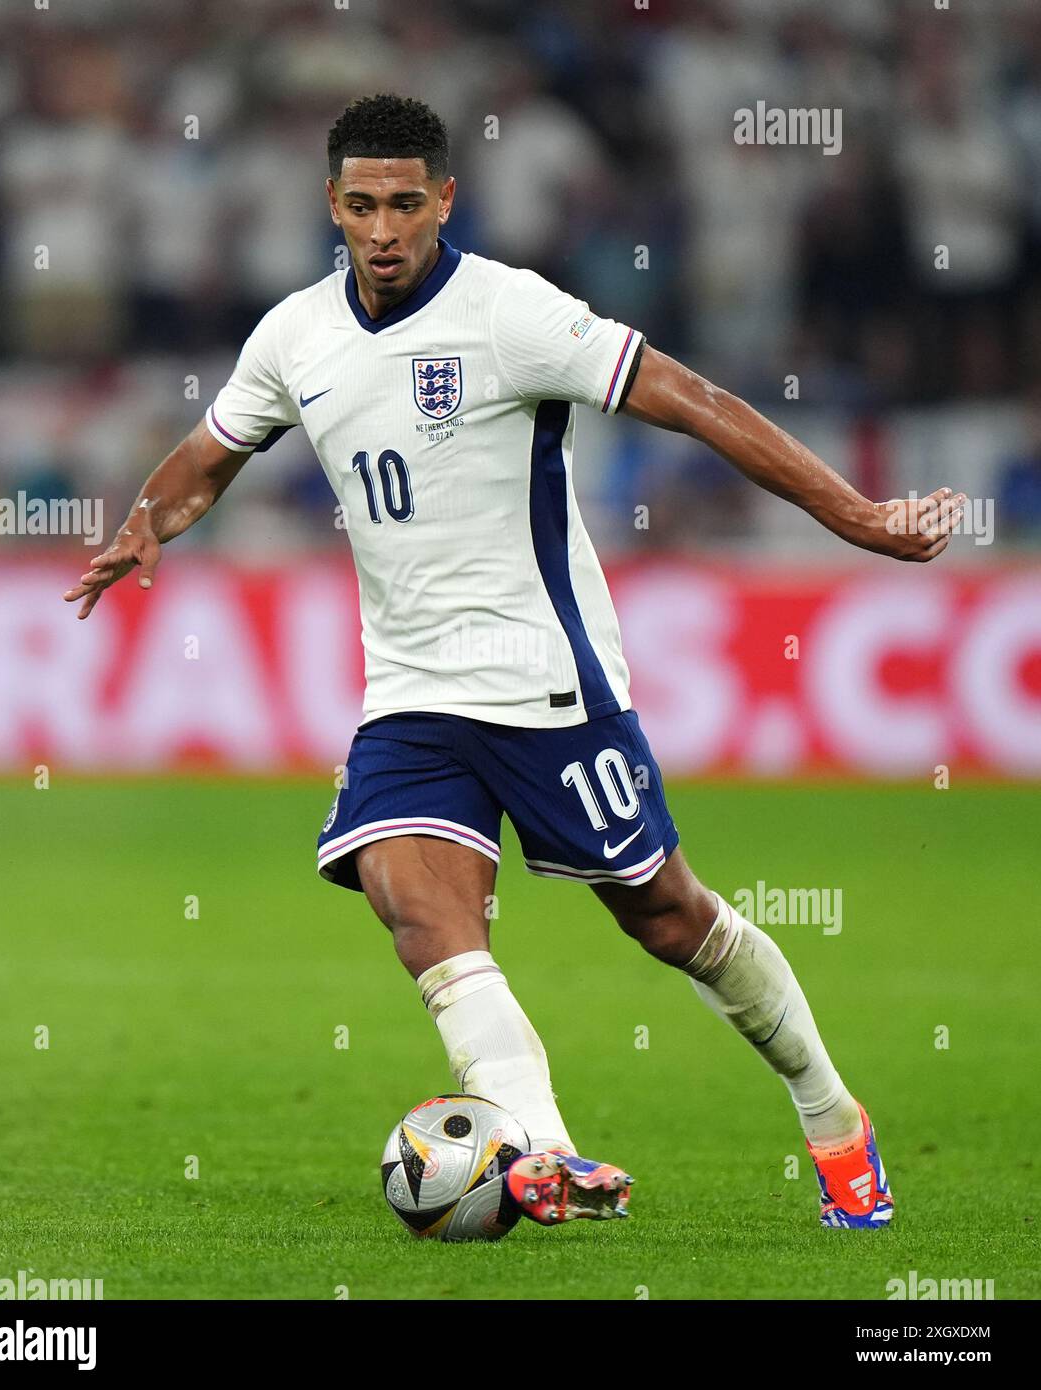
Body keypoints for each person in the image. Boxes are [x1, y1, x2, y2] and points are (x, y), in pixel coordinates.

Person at [65, 93, 965, 1230]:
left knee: (667, 917)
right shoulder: (295, 335)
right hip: (408, 699)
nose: (382, 229)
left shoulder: (510, 314)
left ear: (445, 200)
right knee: (415, 909)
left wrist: (854, 515)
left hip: (549, 687)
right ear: (328, 206)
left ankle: (831, 1114)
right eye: (360, 206)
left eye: (404, 204)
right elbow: (208, 456)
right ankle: (543, 1156)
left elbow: (693, 399)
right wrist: (151, 514)